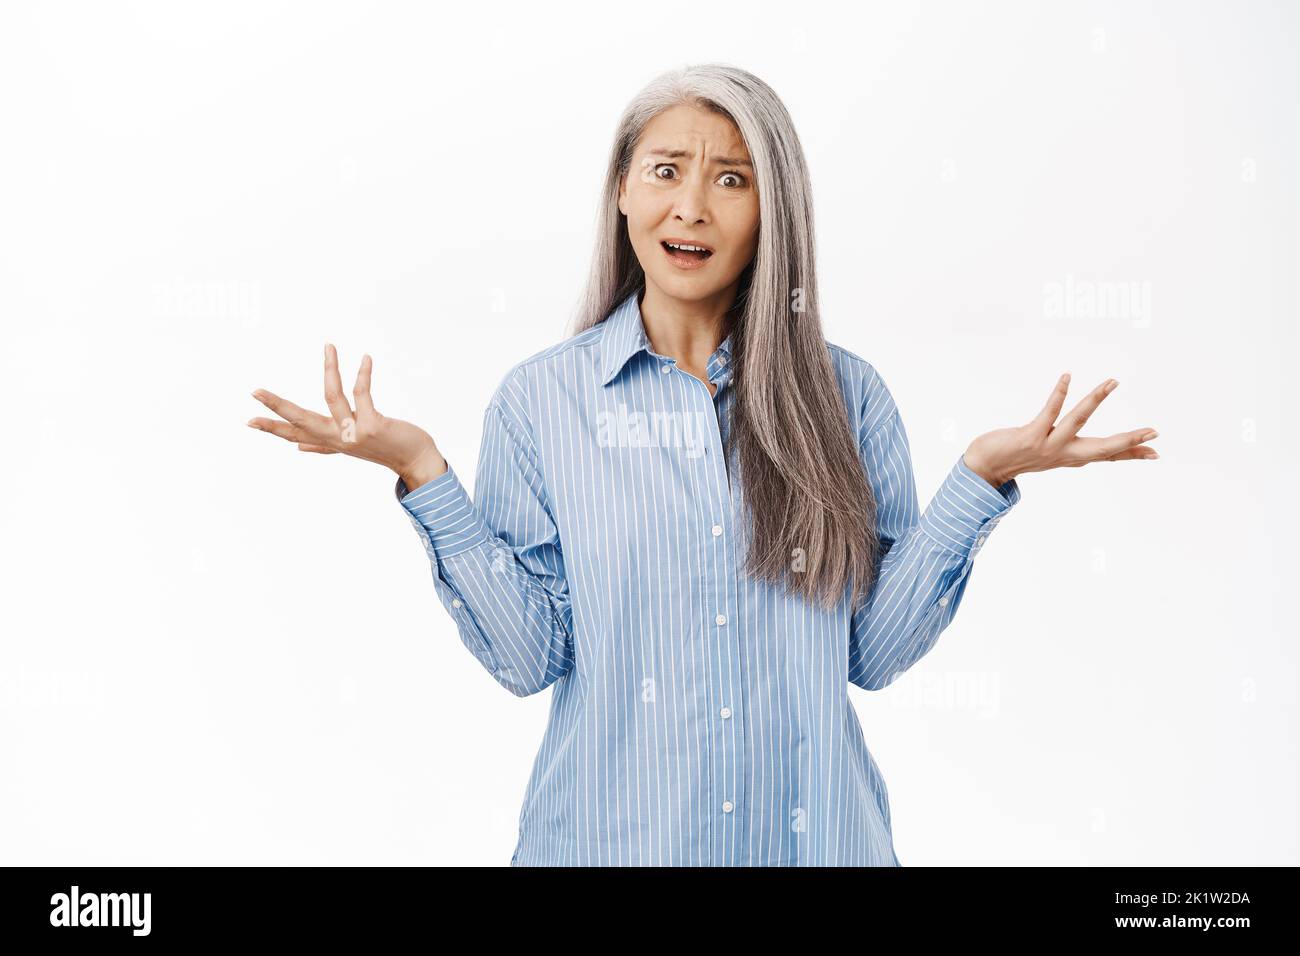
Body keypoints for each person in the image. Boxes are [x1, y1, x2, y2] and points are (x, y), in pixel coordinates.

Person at [247, 63, 1158, 866]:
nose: (691, 205)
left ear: (774, 213)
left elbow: (871, 656)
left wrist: (979, 482)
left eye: (732, 179)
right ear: (622, 191)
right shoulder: (541, 406)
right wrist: (419, 471)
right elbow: (530, 660)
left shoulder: (847, 398)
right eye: (666, 170)